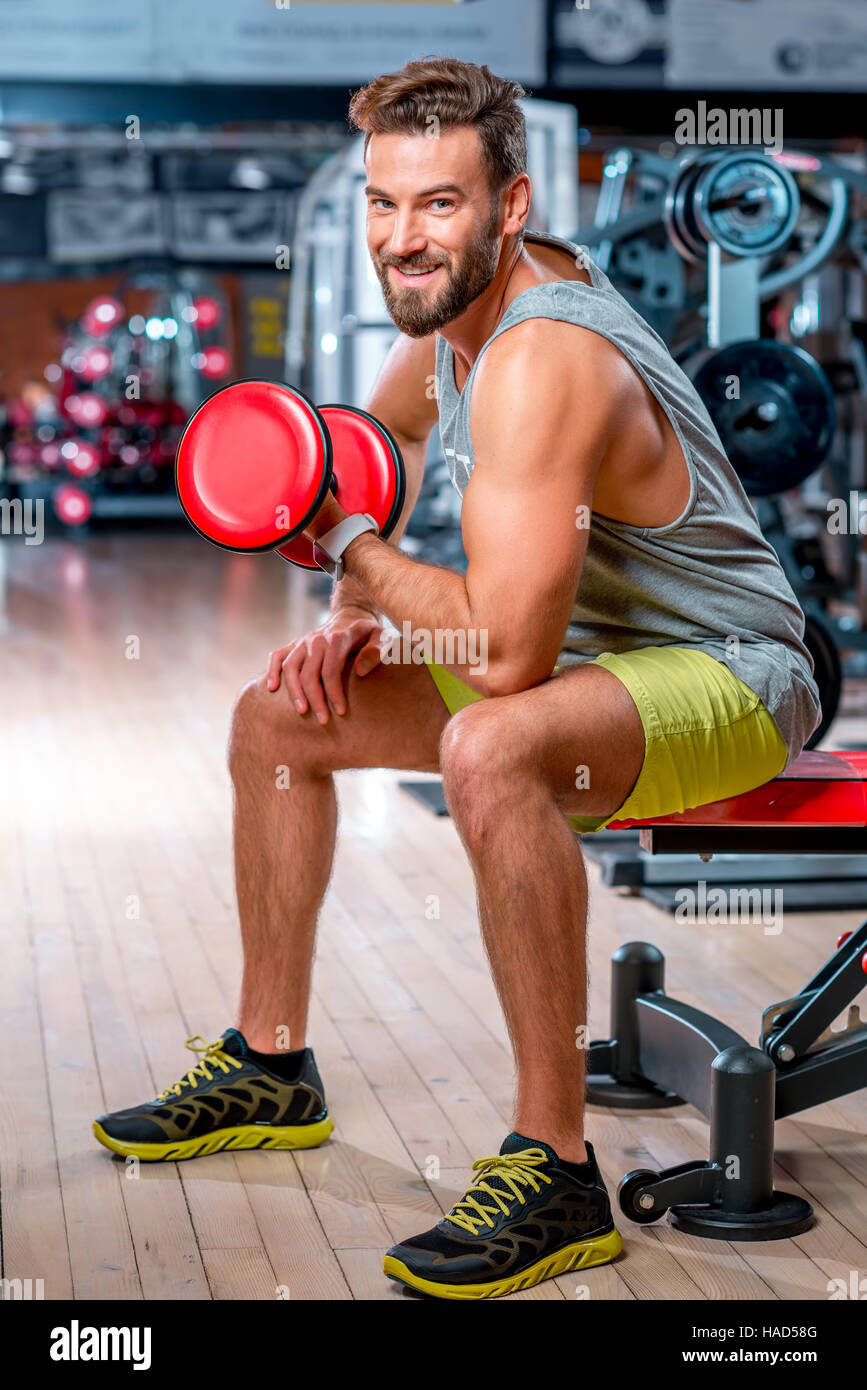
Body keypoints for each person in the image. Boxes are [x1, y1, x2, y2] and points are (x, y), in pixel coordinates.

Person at [94, 57, 821, 1300]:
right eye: (385, 202)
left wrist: (353, 550)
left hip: (735, 669)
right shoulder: (450, 324)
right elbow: (376, 446)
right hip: (584, 654)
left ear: (513, 208)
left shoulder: (543, 357)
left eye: (439, 204)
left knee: (493, 744)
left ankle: (556, 1167)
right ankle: (271, 1063)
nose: (403, 237)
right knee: (281, 716)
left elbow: (500, 659)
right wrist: (344, 610)